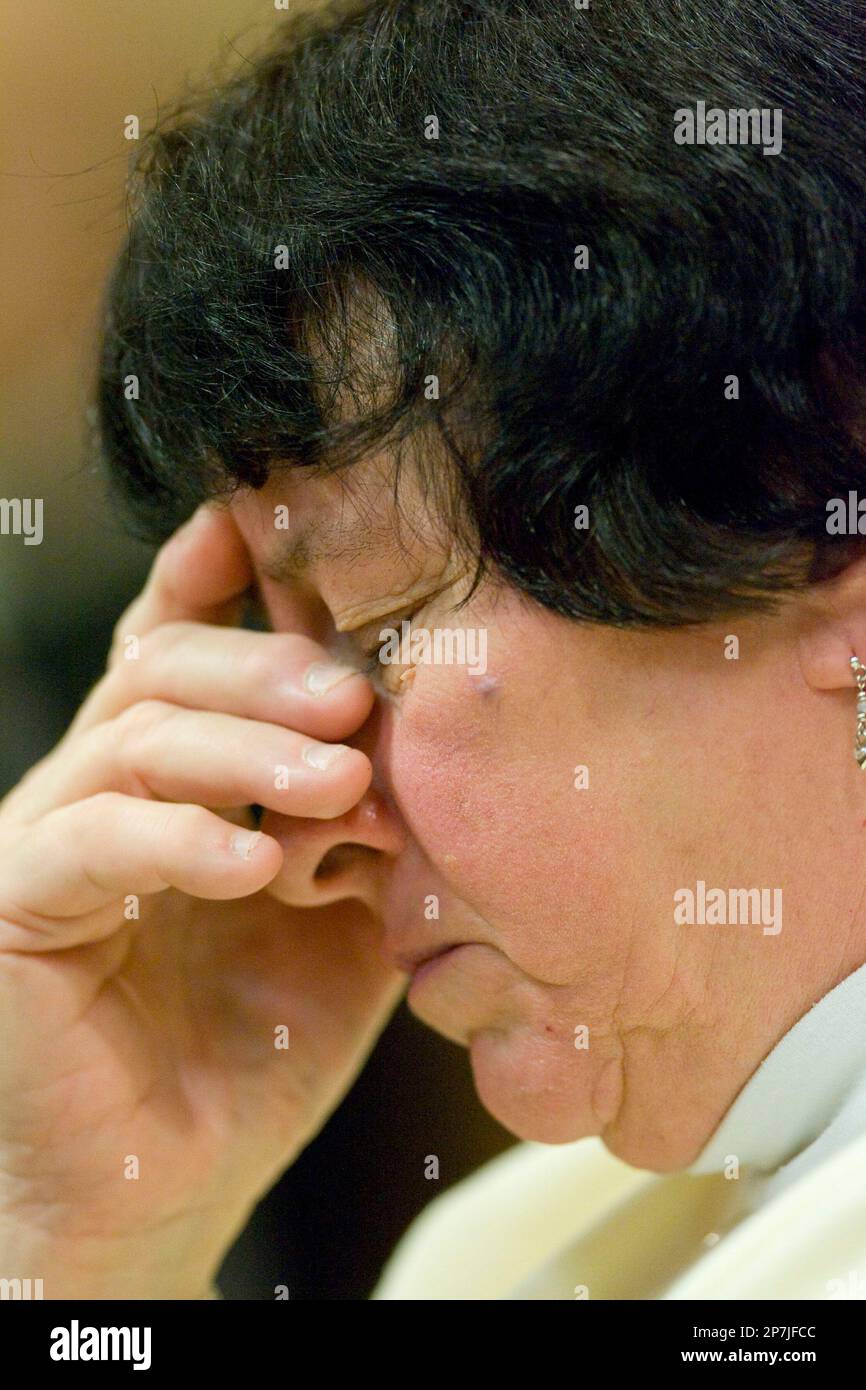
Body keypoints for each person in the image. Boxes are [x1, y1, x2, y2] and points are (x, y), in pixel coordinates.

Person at [2, 0, 866, 1300]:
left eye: (378, 628)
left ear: (809, 512)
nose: (297, 815)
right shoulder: (495, 1254)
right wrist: (87, 1249)